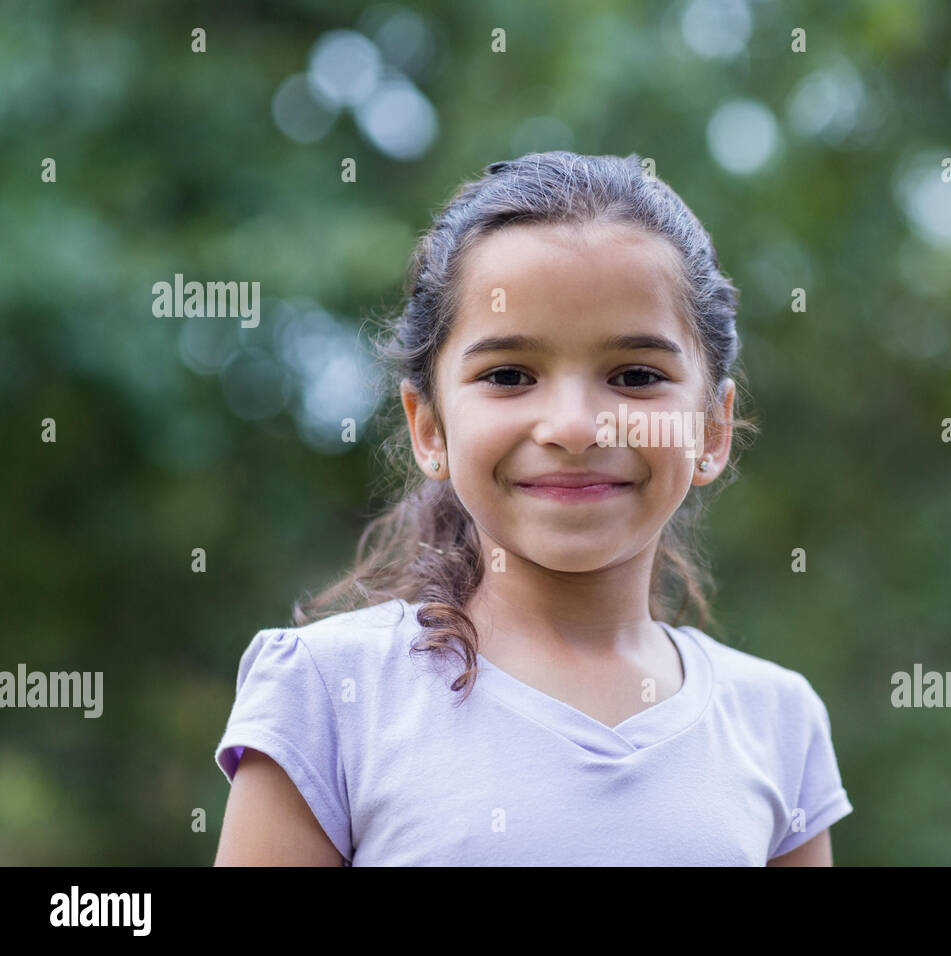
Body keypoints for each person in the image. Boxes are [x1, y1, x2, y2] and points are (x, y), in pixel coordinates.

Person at [212, 151, 852, 865]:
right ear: (429, 427)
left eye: (636, 375)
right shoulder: (330, 697)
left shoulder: (777, 722)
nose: (575, 427)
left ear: (711, 430)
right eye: (509, 375)